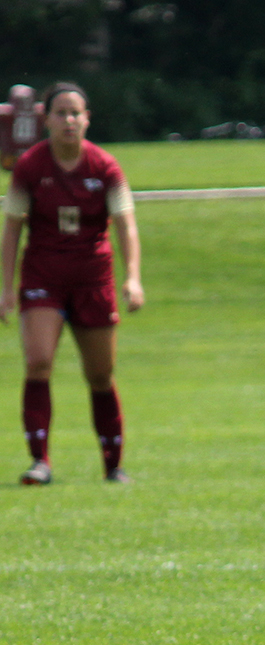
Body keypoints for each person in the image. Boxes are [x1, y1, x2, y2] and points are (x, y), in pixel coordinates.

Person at [1, 83, 140, 485]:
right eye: (60, 113)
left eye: (75, 113)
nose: (68, 120)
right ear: (46, 119)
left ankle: (114, 465)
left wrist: (132, 278)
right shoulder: (30, 167)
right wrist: (7, 288)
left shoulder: (105, 167)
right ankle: (39, 462)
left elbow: (126, 226)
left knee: (100, 374)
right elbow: (11, 229)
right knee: (38, 361)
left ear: (87, 118)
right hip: (44, 275)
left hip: (92, 278)